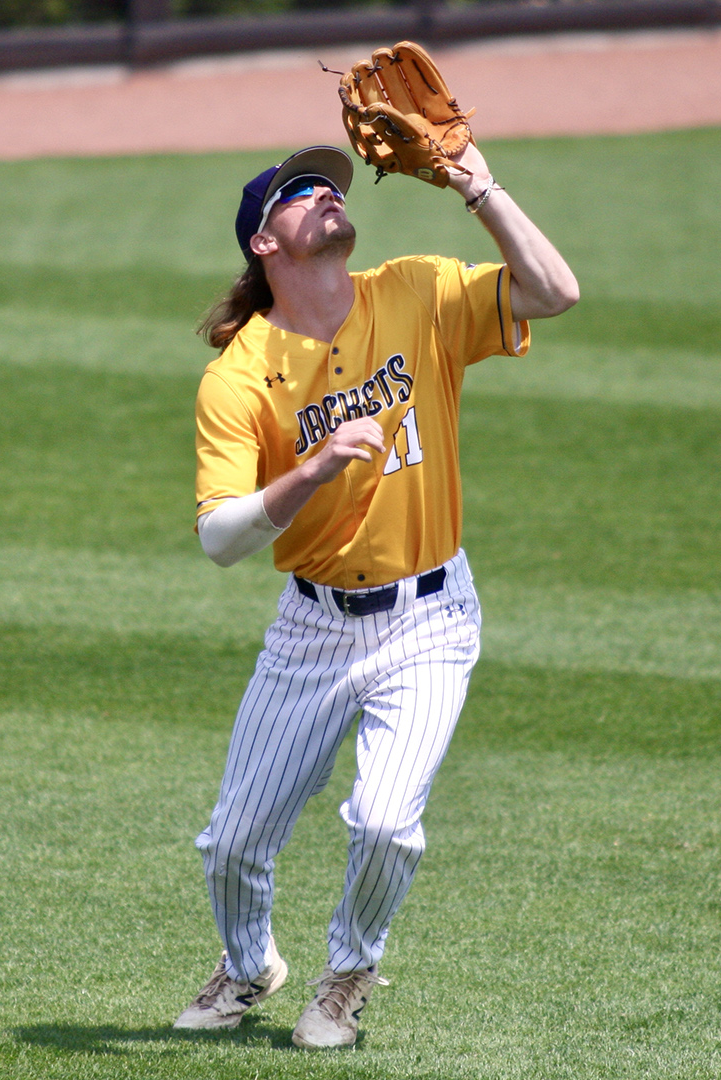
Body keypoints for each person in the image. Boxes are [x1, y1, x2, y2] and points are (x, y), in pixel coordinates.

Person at [175, 139, 578, 1049]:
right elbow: (219, 538)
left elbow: (555, 293)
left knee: (387, 822)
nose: (326, 196)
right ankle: (249, 969)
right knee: (234, 844)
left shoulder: (416, 292)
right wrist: (308, 473)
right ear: (264, 246)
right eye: (300, 193)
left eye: (331, 185)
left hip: (430, 617)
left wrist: (480, 184)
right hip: (311, 633)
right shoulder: (240, 377)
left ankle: (347, 976)